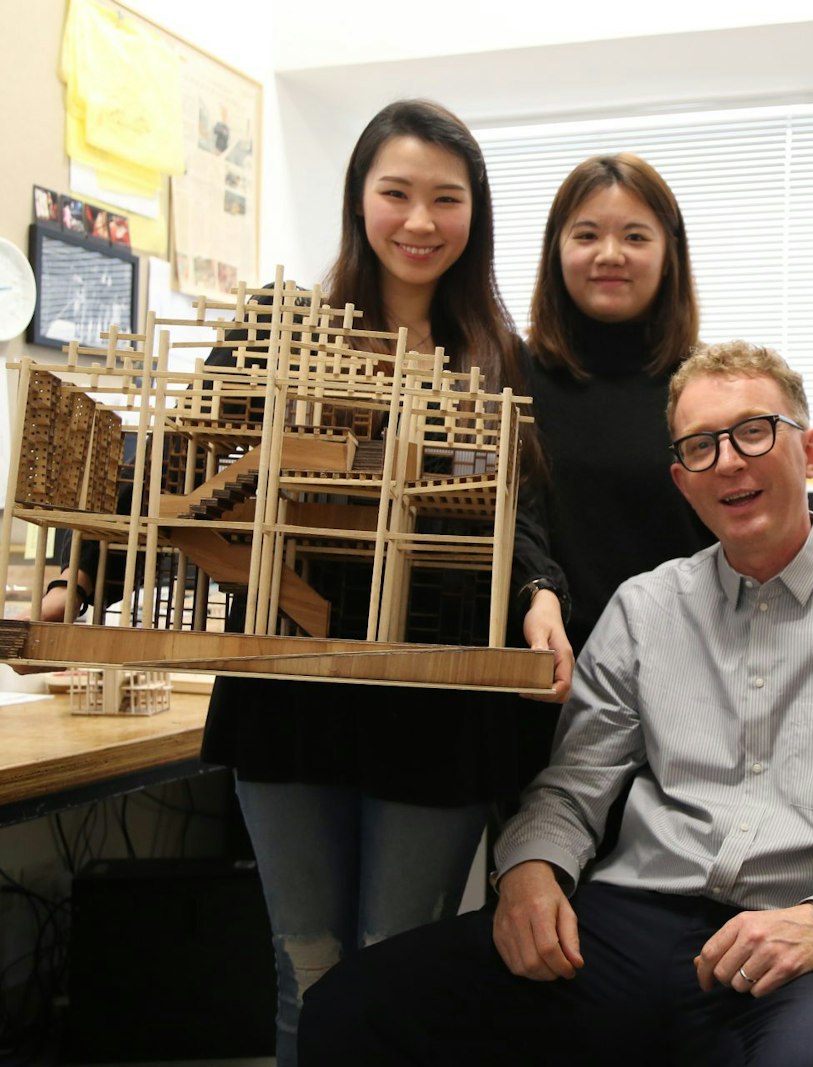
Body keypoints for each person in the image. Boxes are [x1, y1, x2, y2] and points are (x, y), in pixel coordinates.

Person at [297, 341, 813, 1066]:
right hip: (625, 930)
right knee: (350, 1009)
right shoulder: (645, 608)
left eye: (754, 431)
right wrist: (528, 870)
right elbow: (571, 789)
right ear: (682, 480)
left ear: (811, 451)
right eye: (701, 446)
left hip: (800, 949)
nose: (728, 461)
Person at [193, 99, 556, 1067]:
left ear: (476, 212)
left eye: (447, 198)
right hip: (290, 688)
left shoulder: (497, 356)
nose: (420, 221)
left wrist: (541, 593)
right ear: (359, 200)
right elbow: (187, 461)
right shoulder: (278, 326)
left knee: (399, 975)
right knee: (305, 970)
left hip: (438, 693)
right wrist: (80, 577)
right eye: (396, 192)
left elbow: (523, 514)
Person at [513, 153, 712, 715]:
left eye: (635, 236)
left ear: (670, 254)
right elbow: (512, 518)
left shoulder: (704, 386)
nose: (609, 254)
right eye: (587, 235)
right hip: (546, 673)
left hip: (684, 682)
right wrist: (538, 594)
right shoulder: (512, 375)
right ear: (556, 250)